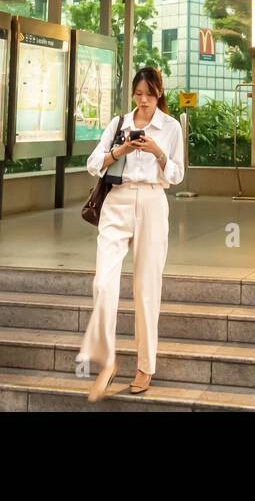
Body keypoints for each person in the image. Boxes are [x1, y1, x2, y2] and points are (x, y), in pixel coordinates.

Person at [77, 67, 185, 401]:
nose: (143, 101)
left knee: (146, 288)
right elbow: (93, 163)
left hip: (153, 200)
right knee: (103, 282)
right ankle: (107, 361)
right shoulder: (119, 123)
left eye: (149, 95)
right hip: (117, 200)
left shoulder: (170, 126)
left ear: (159, 94)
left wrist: (157, 151)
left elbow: (178, 174)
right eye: (138, 94)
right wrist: (118, 152)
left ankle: (145, 365)